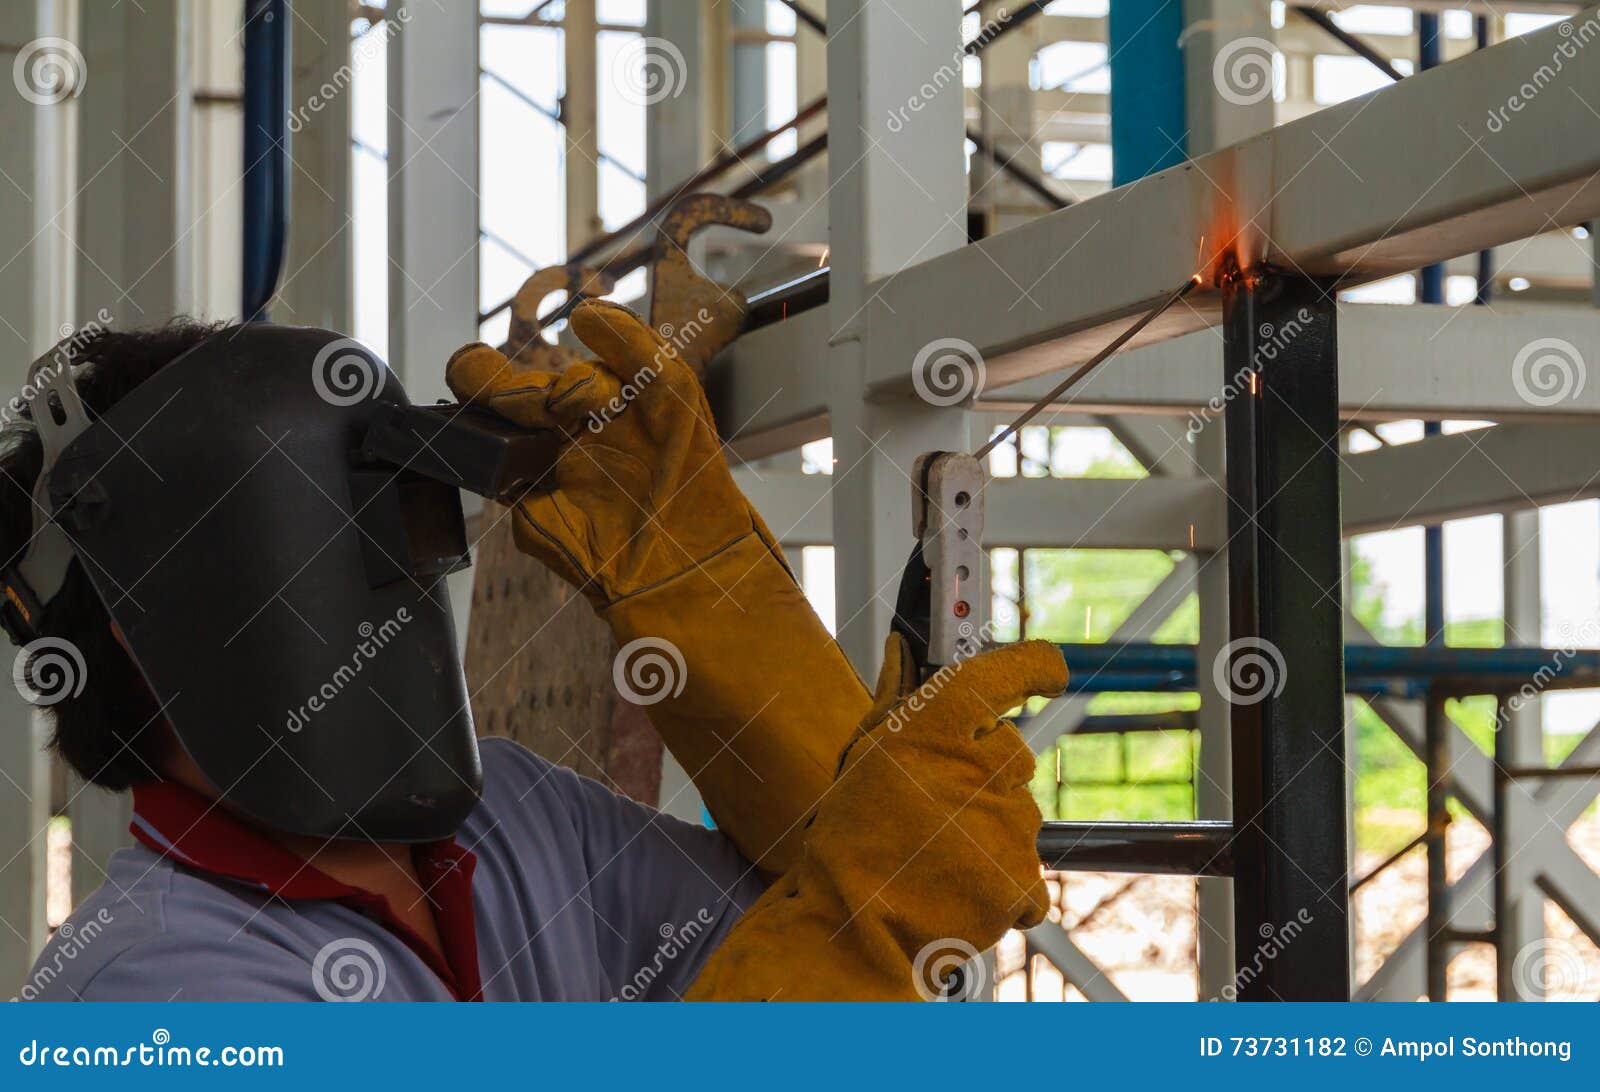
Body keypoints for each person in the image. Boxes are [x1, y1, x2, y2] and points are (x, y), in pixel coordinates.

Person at [9, 303, 1063, 1001]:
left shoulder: (508, 817)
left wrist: (711, 602)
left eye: (387, 520)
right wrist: (868, 922)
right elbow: (842, 938)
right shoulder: (148, 987)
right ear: (144, 625)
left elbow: (789, 923)